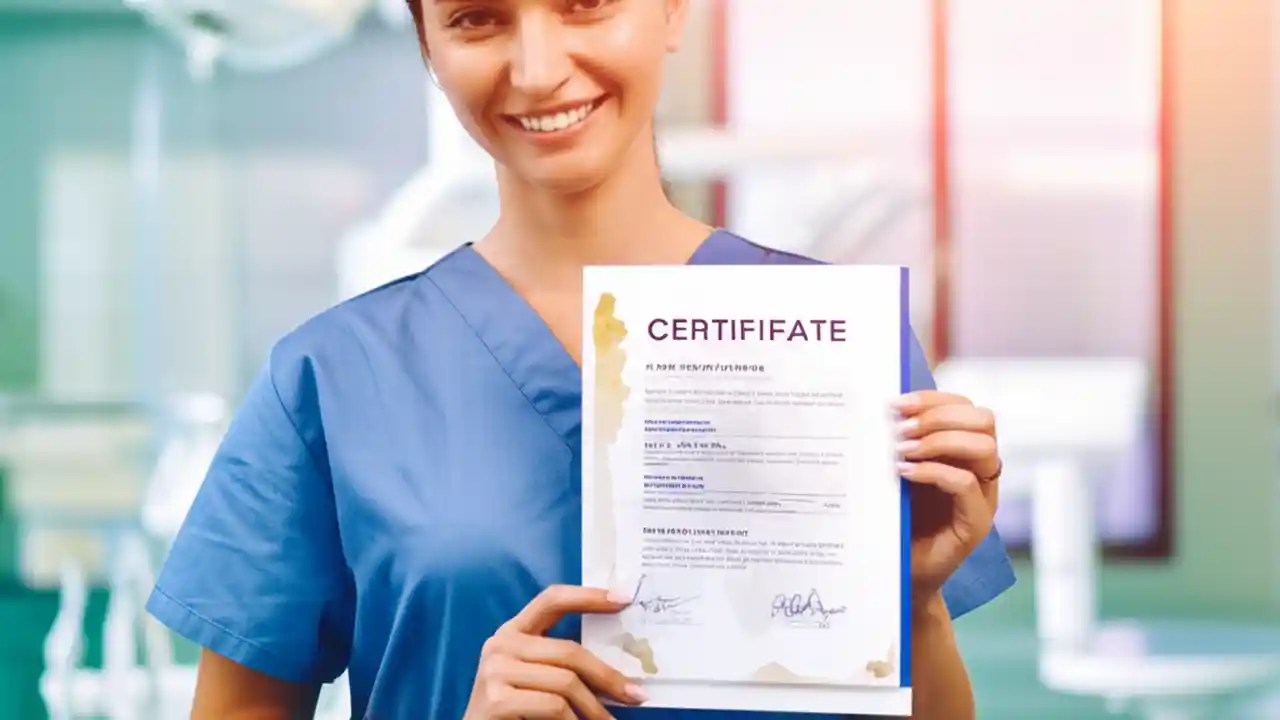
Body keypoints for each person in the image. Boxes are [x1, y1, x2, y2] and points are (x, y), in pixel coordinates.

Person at [145, 1, 1016, 718]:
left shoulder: (837, 347)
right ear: (427, 45)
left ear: (672, 11)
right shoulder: (332, 380)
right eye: (477, 19)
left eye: (585, 5)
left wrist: (916, 606)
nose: (537, 69)